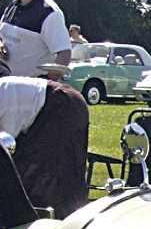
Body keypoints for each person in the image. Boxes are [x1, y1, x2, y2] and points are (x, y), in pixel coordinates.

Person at [0, 53, 89, 218]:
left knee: (50, 182)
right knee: (26, 178)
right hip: (52, 106)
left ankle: (65, 224)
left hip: (60, 104)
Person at [1, 0, 72, 80]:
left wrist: (54, 75)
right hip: (6, 85)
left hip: (32, 87)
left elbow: (64, 52)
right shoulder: (13, 5)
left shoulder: (50, 12)